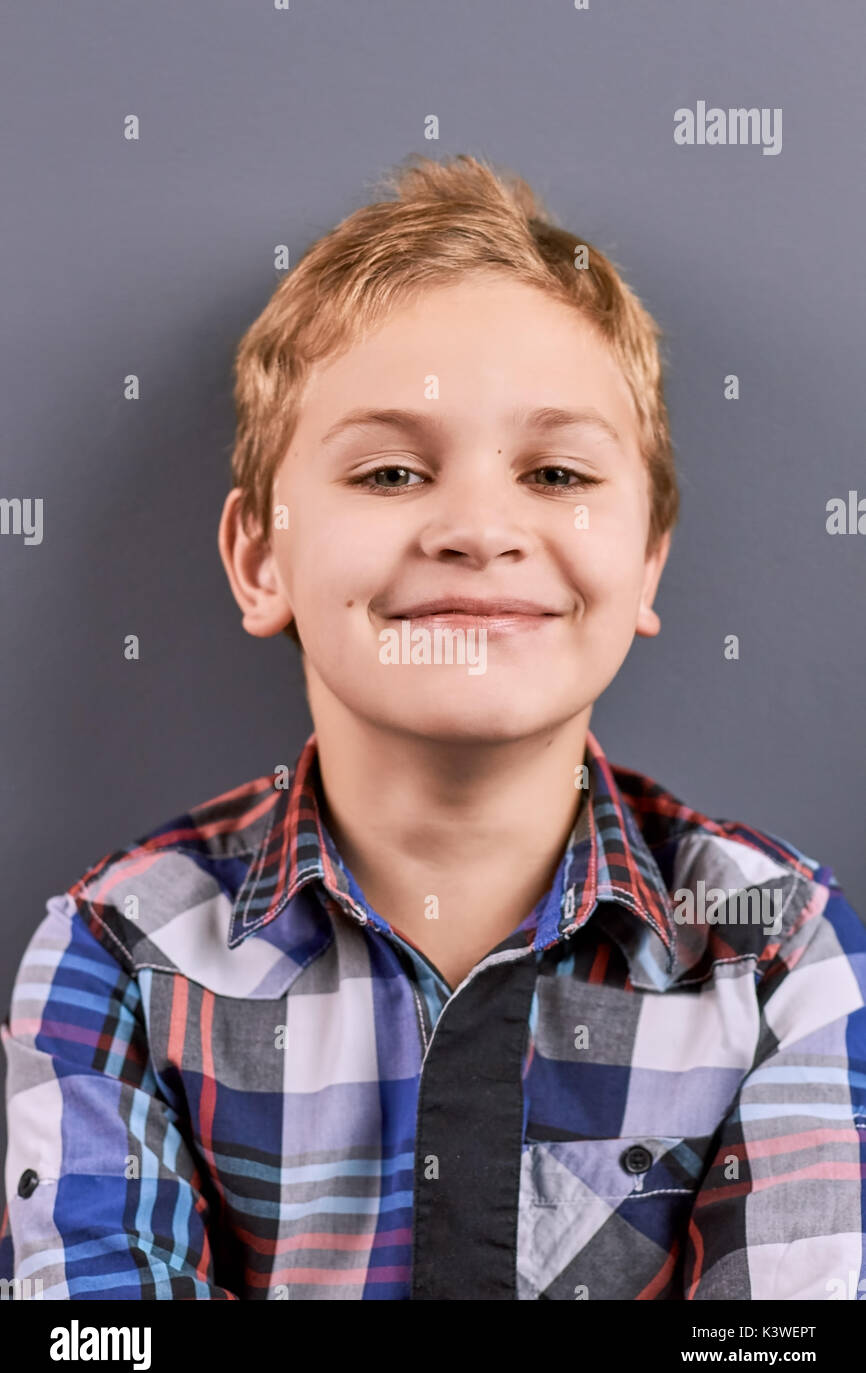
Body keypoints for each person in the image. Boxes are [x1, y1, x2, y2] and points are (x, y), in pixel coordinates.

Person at [2, 153, 864, 1301]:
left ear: (645, 562)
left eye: (555, 471)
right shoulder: (118, 952)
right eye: (393, 471)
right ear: (261, 559)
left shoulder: (780, 951)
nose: (476, 526)